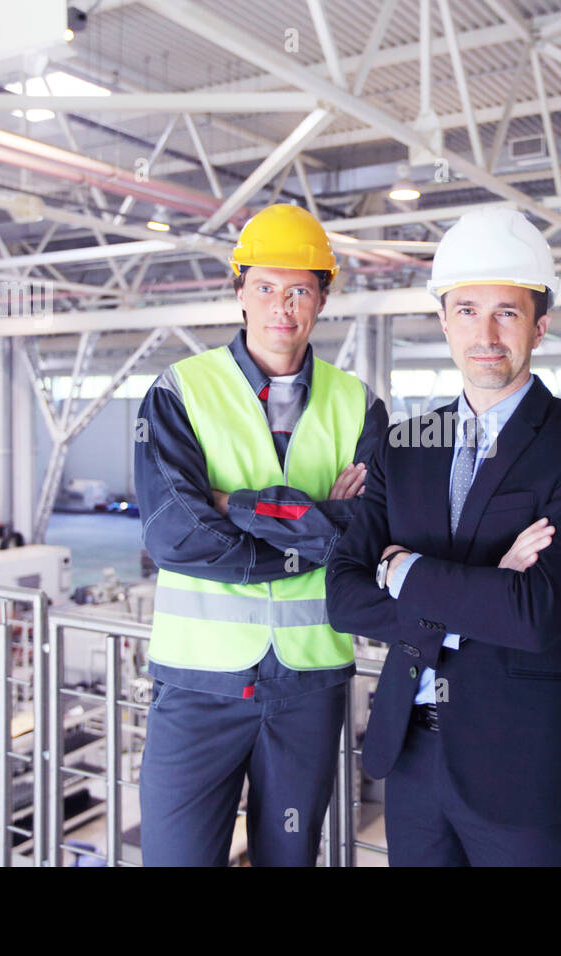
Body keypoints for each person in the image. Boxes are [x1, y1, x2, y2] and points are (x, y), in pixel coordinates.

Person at [325, 207, 561, 866]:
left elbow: (540, 612)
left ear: (539, 326)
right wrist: (489, 583)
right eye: (466, 311)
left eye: (507, 312)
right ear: (442, 320)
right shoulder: (402, 446)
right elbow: (343, 595)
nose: (485, 333)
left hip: (523, 765)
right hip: (410, 755)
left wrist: (402, 570)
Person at [134, 203, 386, 866]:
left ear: (323, 298)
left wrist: (232, 504)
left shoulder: (359, 404)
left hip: (308, 683)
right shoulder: (179, 393)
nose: (283, 306)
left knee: (290, 859)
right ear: (239, 290)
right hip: (198, 683)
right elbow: (175, 539)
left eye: (301, 289)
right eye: (267, 287)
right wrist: (309, 528)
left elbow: (363, 538)